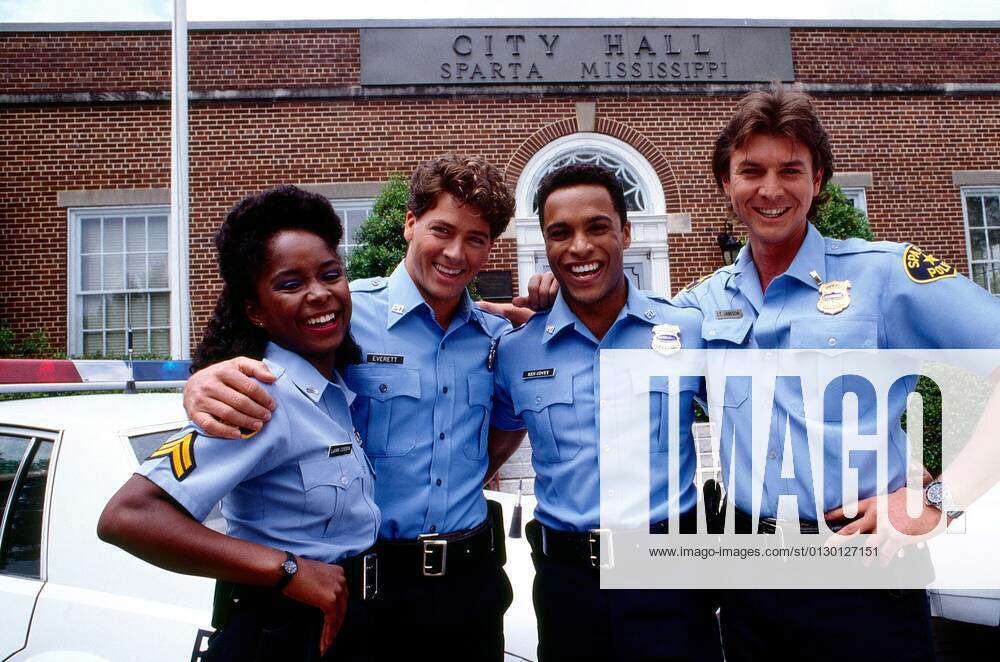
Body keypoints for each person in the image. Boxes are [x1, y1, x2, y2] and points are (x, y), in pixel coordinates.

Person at [521, 86, 1000, 660]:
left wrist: (938, 497)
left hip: (861, 568)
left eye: (789, 170)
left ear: (817, 179)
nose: (770, 189)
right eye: (750, 170)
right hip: (748, 574)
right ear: (726, 183)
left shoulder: (885, 276)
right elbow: (615, 338)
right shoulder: (698, 307)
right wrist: (550, 306)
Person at [181, 156, 525, 662]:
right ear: (410, 223)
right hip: (368, 583)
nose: (456, 252)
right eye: (441, 230)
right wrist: (200, 379)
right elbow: (252, 352)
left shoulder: (498, 336)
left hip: (470, 583)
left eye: (476, 238)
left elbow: (504, 423)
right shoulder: (340, 313)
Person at [97, 185, 380, 661]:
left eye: (331, 274)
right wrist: (286, 569)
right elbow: (128, 516)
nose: (319, 294)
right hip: (280, 627)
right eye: (290, 284)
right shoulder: (260, 394)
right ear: (255, 311)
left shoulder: (329, 389)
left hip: (346, 615)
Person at [490, 163, 722, 661]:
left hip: (671, 575)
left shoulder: (688, 332)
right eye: (560, 233)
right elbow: (498, 435)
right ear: (545, 243)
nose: (579, 247)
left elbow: (748, 421)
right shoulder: (516, 351)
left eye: (597, 227)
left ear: (626, 231)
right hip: (566, 584)